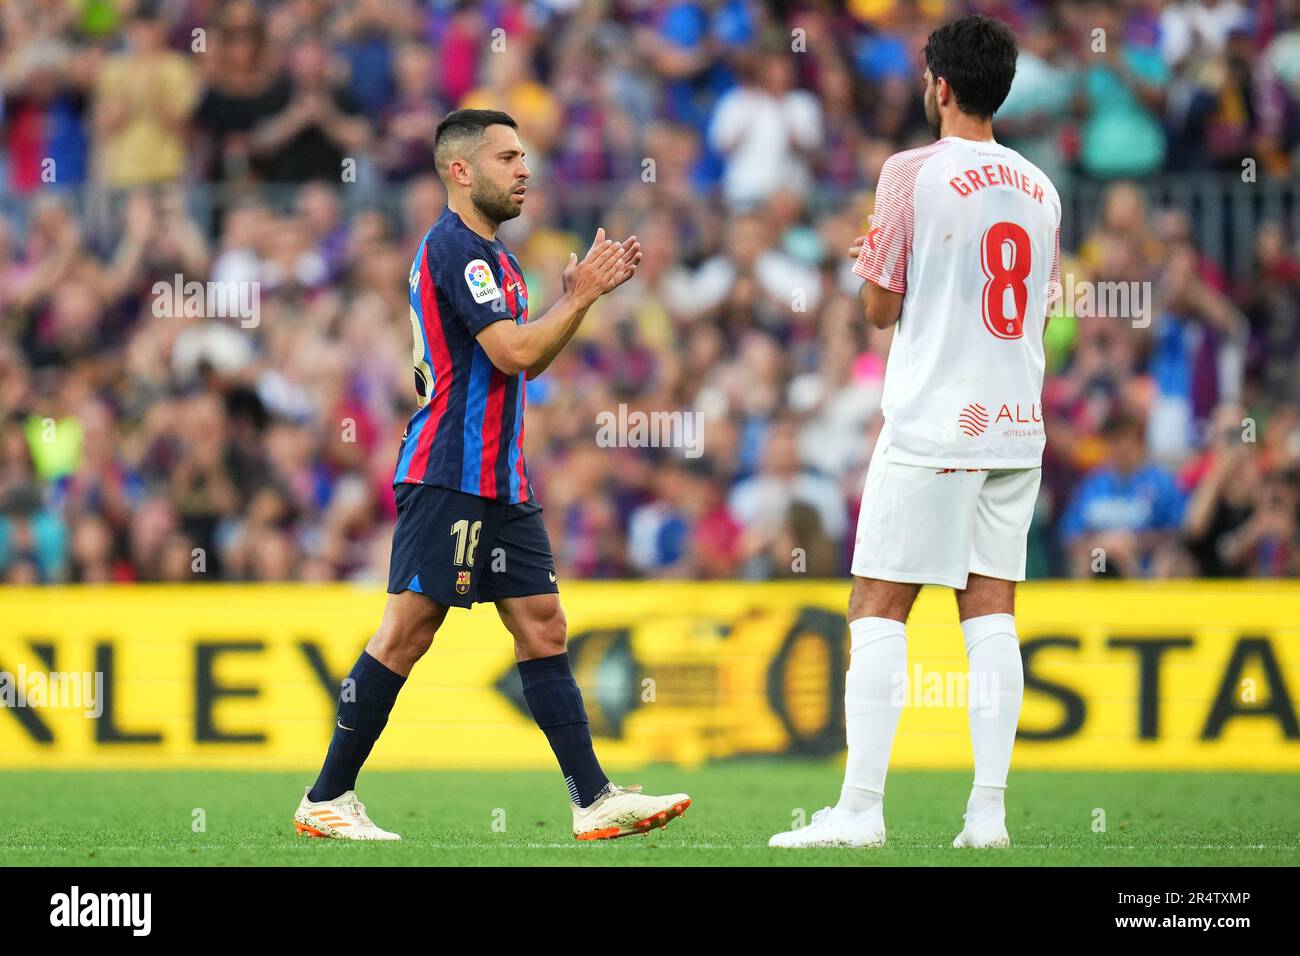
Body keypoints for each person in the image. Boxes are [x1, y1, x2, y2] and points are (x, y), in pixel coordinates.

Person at [293, 110, 690, 842]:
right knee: (407, 632)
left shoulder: (499, 261)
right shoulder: (454, 250)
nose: (524, 170)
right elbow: (511, 353)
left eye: (525, 156)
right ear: (461, 170)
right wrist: (578, 298)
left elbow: (527, 357)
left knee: (543, 626)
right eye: (507, 157)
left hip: (502, 478)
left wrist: (574, 301)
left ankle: (593, 797)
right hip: (451, 471)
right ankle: (327, 794)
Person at [769, 15, 1061, 850]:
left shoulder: (910, 172)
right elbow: (1032, 309)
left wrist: (871, 262)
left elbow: (877, 308)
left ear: (939, 85)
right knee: (991, 613)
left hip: (935, 423)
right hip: (1015, 425)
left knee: (878, 609)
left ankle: (860, 811)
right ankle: (988, 815)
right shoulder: (1042, 187)